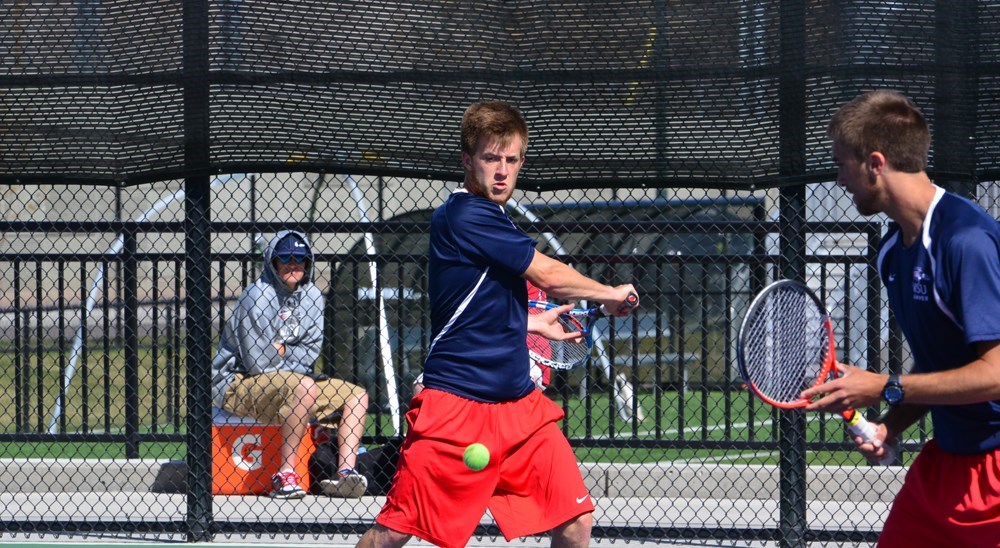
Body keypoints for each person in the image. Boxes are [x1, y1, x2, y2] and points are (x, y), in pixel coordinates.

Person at [356, 100, 638, 548]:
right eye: (491, 158)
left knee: (576, 520)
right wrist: (609, 293)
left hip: (519, 406)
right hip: (456, 403)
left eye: (512, 159)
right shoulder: (466, 214)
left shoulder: (493, 218)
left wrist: (530, 322)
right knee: (395, 528)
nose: (502, 170)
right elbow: (546, 274)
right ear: (468, 160)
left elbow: (473, 306)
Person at [801, 90, 1000, 546]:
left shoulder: (966, 241)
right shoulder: (893, 253)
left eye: (842, 164)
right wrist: (893, 423)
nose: (838, 180)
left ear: (875, 163)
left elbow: (996, 373)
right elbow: (940, 363)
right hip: (945, 466)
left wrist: (883, 387)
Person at [211, 230, 371, 499]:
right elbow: (258, 363)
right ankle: (285, 475)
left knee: (357, 396)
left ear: (308, 262)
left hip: (293, 382)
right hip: (236, 382)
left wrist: (282, 352)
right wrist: (289, 355)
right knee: (304, 386)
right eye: (285, 258)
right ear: (272, 261)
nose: (293, 264)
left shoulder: (312, 297)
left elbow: (309, 353)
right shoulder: (257, 296)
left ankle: (345, 474)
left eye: (300, 258)